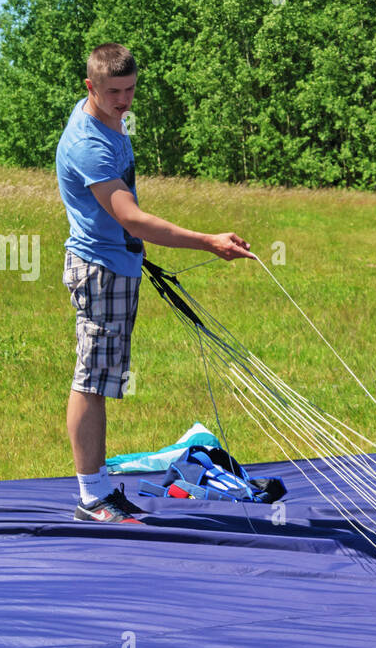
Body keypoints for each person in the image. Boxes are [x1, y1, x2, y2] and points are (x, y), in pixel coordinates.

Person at [55, 43, 254, 523]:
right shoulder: (88, 144)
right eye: (113, 92)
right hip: (99, 273)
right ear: (90, 88)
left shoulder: (108, 117)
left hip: (118, 265)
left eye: (130, 91)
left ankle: (98, 489)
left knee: (102, 379)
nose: (124, 102)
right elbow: (132, 218)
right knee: (91, 382)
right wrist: (208, 241)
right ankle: (92, 496)